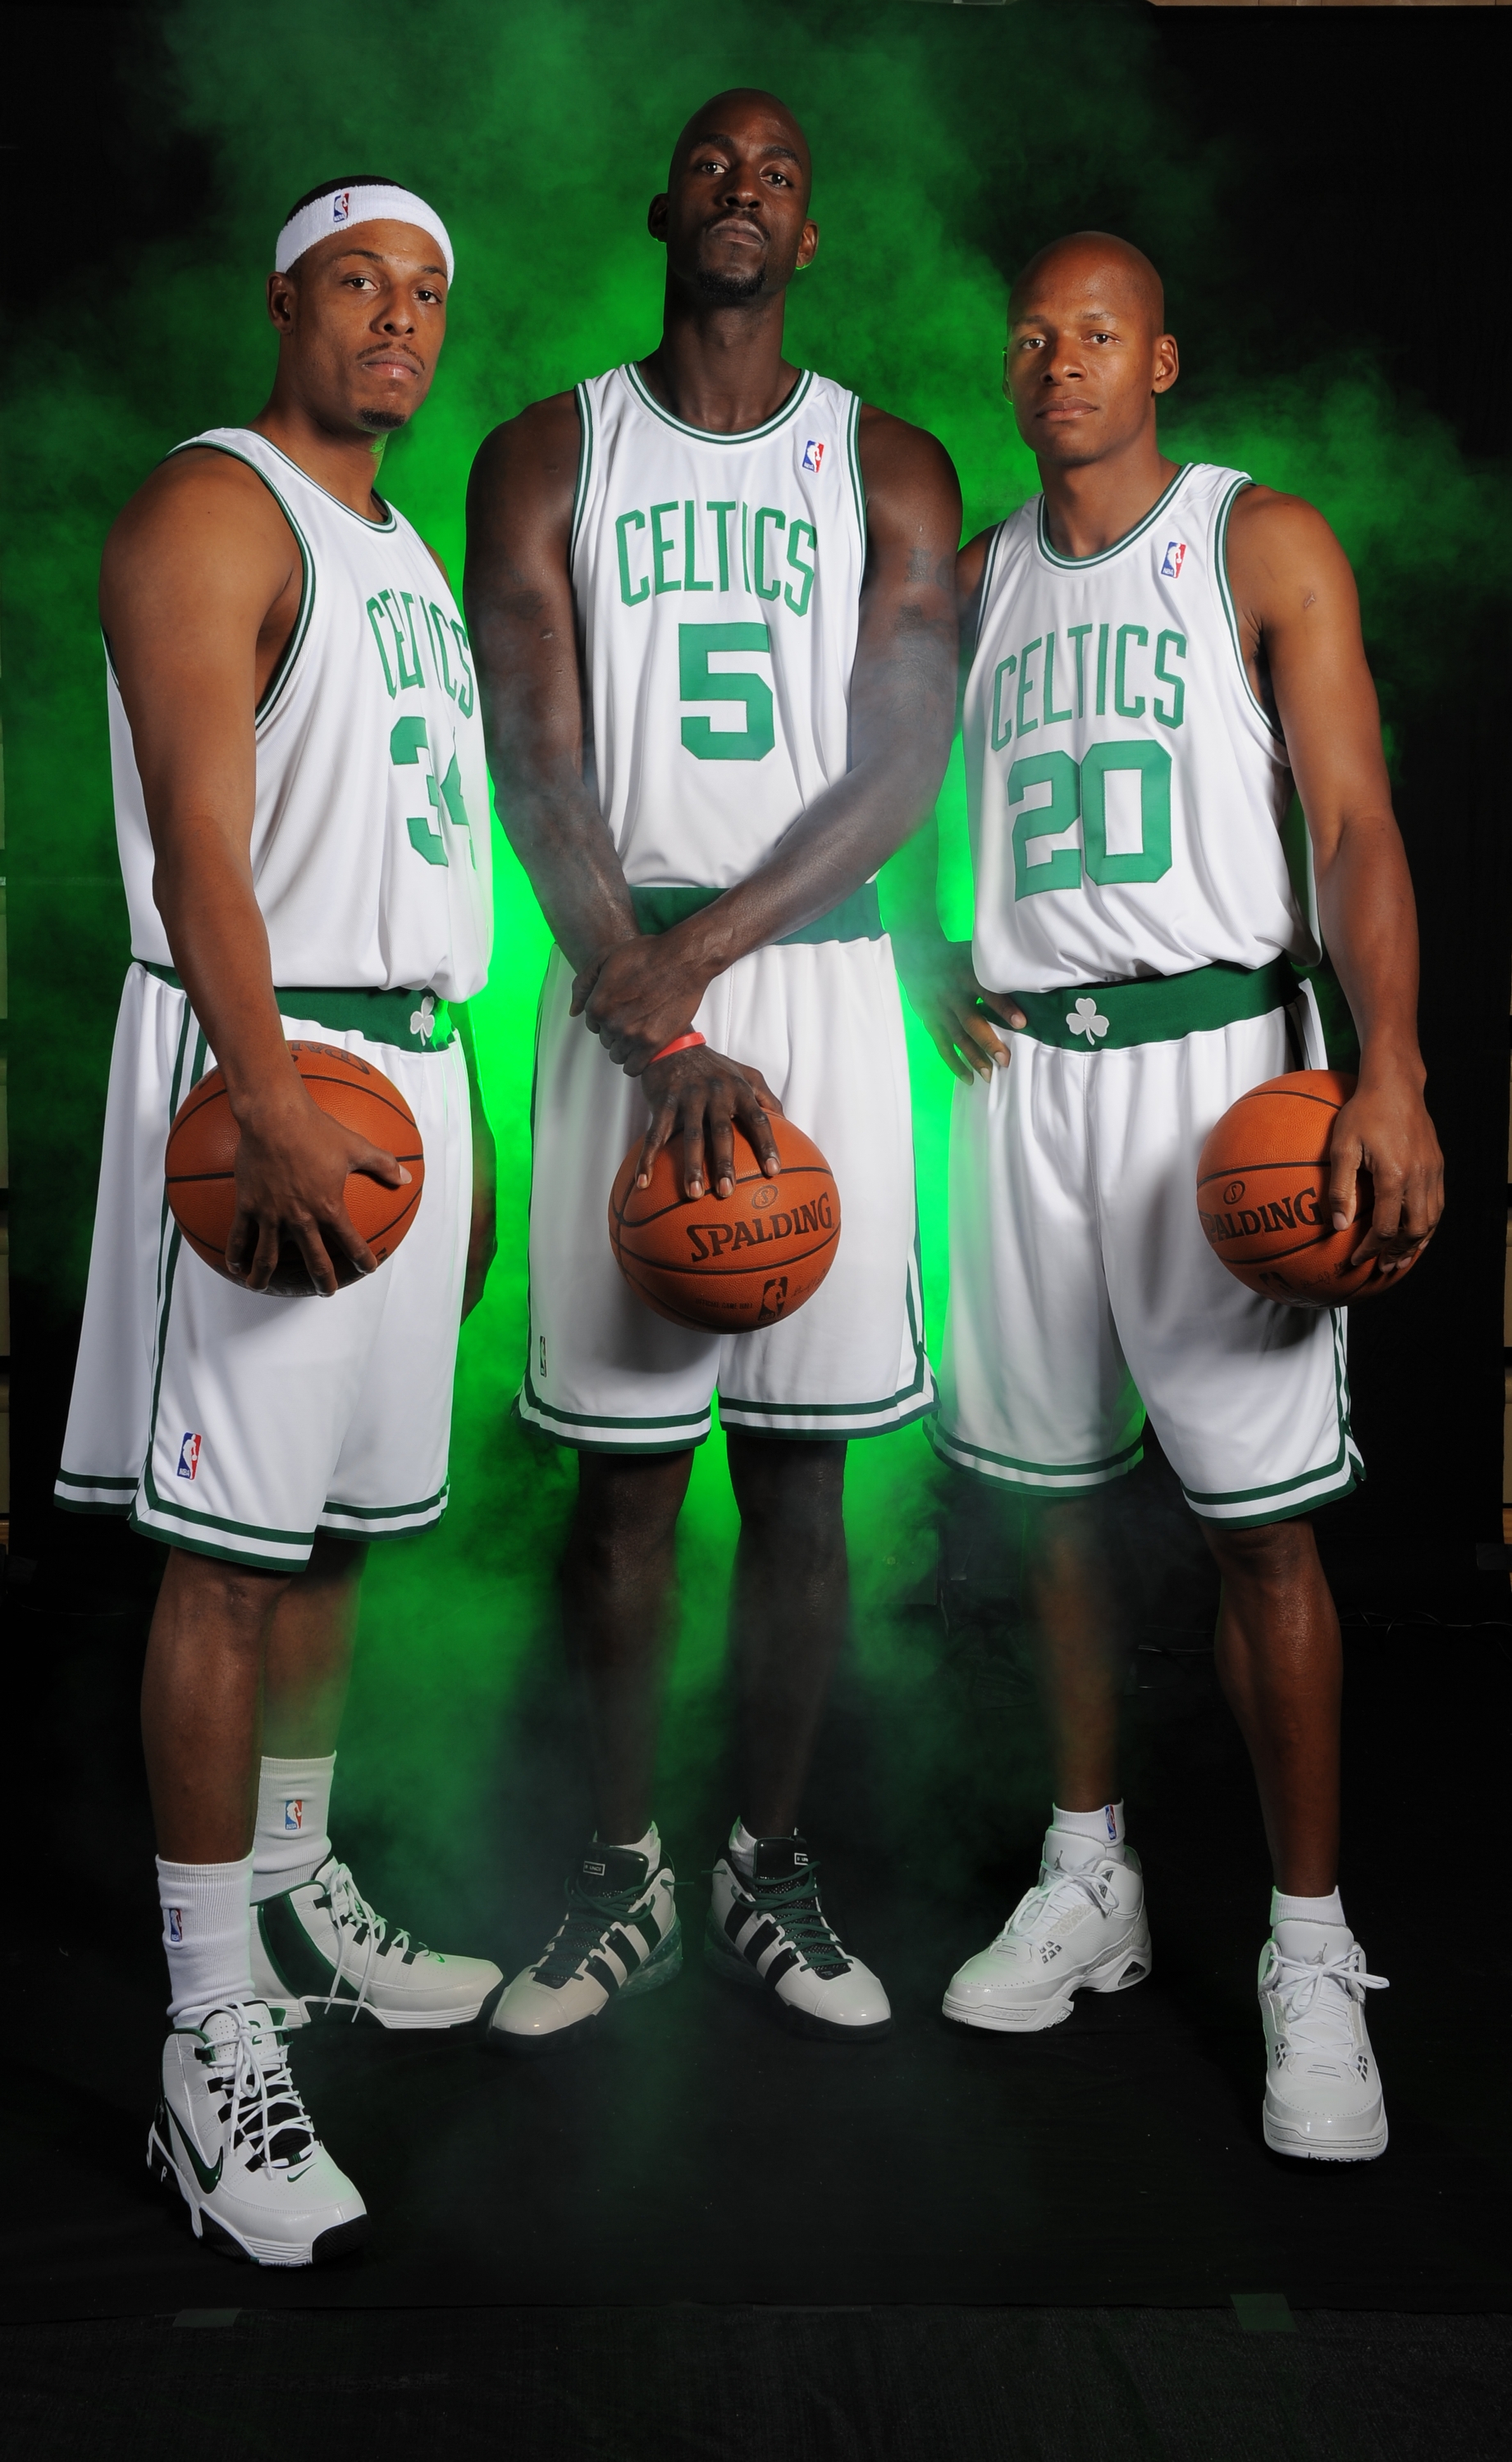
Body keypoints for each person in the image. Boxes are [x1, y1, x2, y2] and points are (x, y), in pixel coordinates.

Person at [898, 232, 1442, 2160]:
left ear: (1163, 362)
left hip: (1228, 1078)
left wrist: (1389, 1067)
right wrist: (921, 947)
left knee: (1259, 1538)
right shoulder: (974, 585)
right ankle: (1088, 1874)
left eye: (1097, 333)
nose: (1058, 362)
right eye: (1033, 336)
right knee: (1046, 1520)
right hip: (1025, 1086)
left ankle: (1309, 1949)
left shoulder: (1256, 538)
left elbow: (1357, 819)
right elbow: (885, 803)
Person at [466, 91, 959, 2049]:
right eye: (714, 166)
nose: (744, 191)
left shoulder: (892, 464)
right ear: (658, 201)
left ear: (808, 234)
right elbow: (536, 758)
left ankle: (764, 1861)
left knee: (807, 1477)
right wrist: (655, 1011)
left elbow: (900, 768)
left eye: (782, 172)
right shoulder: (543, 449)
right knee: (621, 1490)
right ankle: (620, 1882)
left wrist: (709, 967)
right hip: (617, 988)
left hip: (812, 984)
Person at [56, 178, 504, 2264]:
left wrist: (465, 1110)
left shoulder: (404, 549)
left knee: (331, 1534)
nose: (396, 321)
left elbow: (425, 859)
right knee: (223, 1566)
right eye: (358, 284)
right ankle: (207, 2030)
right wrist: (263, 1091)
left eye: (424, 293)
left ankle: (297, 1887)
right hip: (268, 1078)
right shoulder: (211, 508)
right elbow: (203, 855)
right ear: (285, 305)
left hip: (400, 1076)